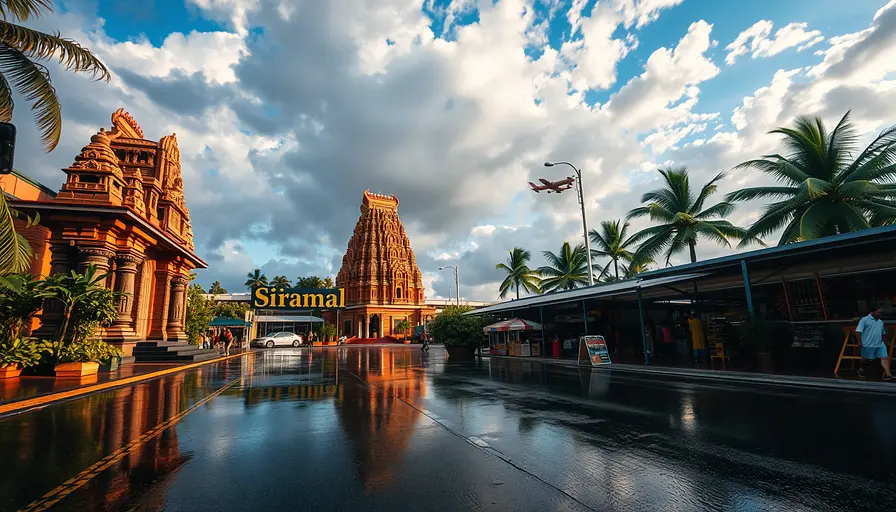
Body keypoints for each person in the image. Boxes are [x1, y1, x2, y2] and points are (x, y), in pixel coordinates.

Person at [856, 304, 892, 381]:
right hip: (868, 344)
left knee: (884, 357)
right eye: (878, 312)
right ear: (872, 312)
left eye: (881, 312)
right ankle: (861, 368)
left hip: (879, 344)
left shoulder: (880, 322)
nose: (880, 314)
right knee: (866, 359)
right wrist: (859, 341)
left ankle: (888, 374)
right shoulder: (864, 320)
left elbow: (883, 333)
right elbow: (858, 331)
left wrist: (885, 342)